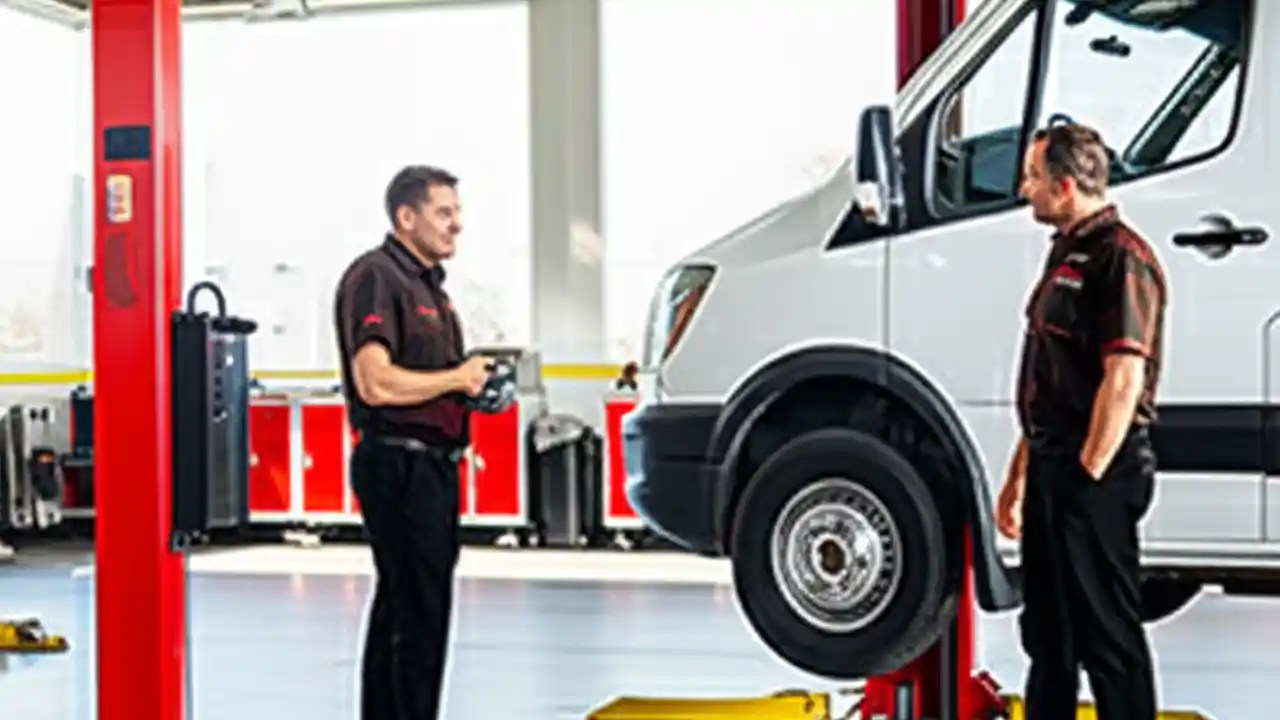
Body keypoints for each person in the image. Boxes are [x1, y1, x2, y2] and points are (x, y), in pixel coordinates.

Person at [996, 123, 1166, 720]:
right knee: (1048, 637)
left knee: (1107, 636)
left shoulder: (1123, 258)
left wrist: (1086, 477)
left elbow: (1123, 381)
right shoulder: (1065, 253)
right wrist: (1022, 477)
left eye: (1033, 178)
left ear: (1065, 186)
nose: (1024, 190)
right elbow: (1052, 379)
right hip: (1052, 461)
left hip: (1096, 470)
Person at [334, 164, 492, 720]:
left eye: (457, 213)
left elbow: (422, 378)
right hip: (399, 464)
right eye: (443, 213)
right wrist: (455, 378)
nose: (457, 225)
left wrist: (470, 389)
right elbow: (374, 381)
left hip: (432, 466)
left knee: (405, 608)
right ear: (406, 217)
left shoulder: (431, 289)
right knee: (418, 614)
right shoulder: (377, 277)